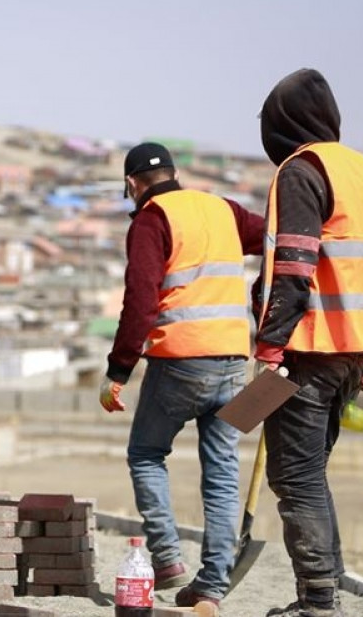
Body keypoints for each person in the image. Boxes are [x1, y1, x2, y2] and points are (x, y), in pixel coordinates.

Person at [254, 68, 363, 617]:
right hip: (346, 349)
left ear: (283, 125)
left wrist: (271, 343)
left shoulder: (302, 169)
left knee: (294, 475)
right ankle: (327, 586)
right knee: (309, 473)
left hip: (307, 347)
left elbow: (292, 265)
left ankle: (318, 600)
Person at [99, 143, 265, 608]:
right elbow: (275, 239)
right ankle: (211, 585)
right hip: (234, 360)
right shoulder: (221, 209)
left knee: (147, 454)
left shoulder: (152, 219)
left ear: (132, 185)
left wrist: (117, 371)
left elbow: (140, 301)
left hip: (180, 362)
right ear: (175, 173)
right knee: (222, 472)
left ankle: (168, 560)